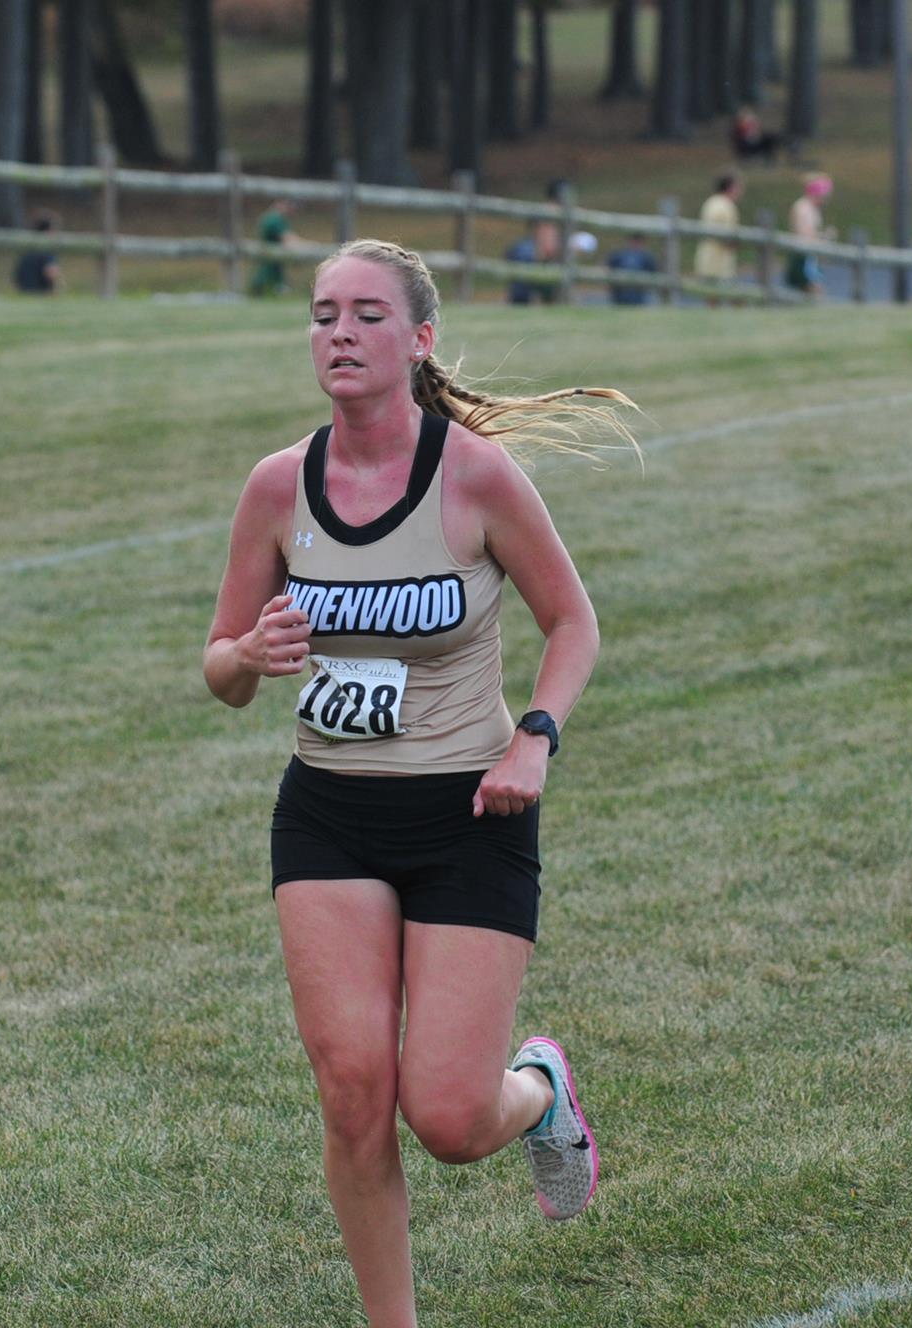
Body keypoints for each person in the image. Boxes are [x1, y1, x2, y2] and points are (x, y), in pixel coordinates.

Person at [201, 238, 634, 1327]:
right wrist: (248, 656)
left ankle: (536, 1089)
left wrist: (533, 736)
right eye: (320, 314)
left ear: (419, 338)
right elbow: (217, 667)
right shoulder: (275, 486)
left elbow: (573, 623)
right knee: (353, 1093)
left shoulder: (475, 477)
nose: (337, 333)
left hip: (466, 814)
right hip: (328, 818)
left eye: (364, 315)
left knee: (444, 1118)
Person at [693, 173, 745, 302]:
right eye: (738, 186)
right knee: (737, 298)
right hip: (721, 264)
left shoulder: (710, 202)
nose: (740, 190)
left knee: (711, 300)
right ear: (730, 187)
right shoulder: (727, 206)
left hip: (705, 259)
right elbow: (728, 237)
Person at [784, 174, 835, 299]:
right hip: (804, 258)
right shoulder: (804, 208)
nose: (826, 199)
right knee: (815, 292)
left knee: (807, 295)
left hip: (808, 258)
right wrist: (824, 239)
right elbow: (805, 236)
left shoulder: (810, 208)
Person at [251, 198, 302, 297]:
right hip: (269, 275)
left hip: (273, 270)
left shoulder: (273, 218)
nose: (292, 210)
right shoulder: (275, 219)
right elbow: (289, 240)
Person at [12, 211, 62, 294]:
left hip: (23, 296)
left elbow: (16, 280)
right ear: (49, 230)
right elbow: (51, 273)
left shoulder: (27, 250)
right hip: (42, 296)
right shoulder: (47, 250)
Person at [606, 232, 659, 305]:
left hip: (640, 296)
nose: (636, 243)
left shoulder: (647, 257)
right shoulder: (618, 255)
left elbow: (653, 275)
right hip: (620, 295)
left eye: (638, 241)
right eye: (634, 240)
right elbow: (609, 270)